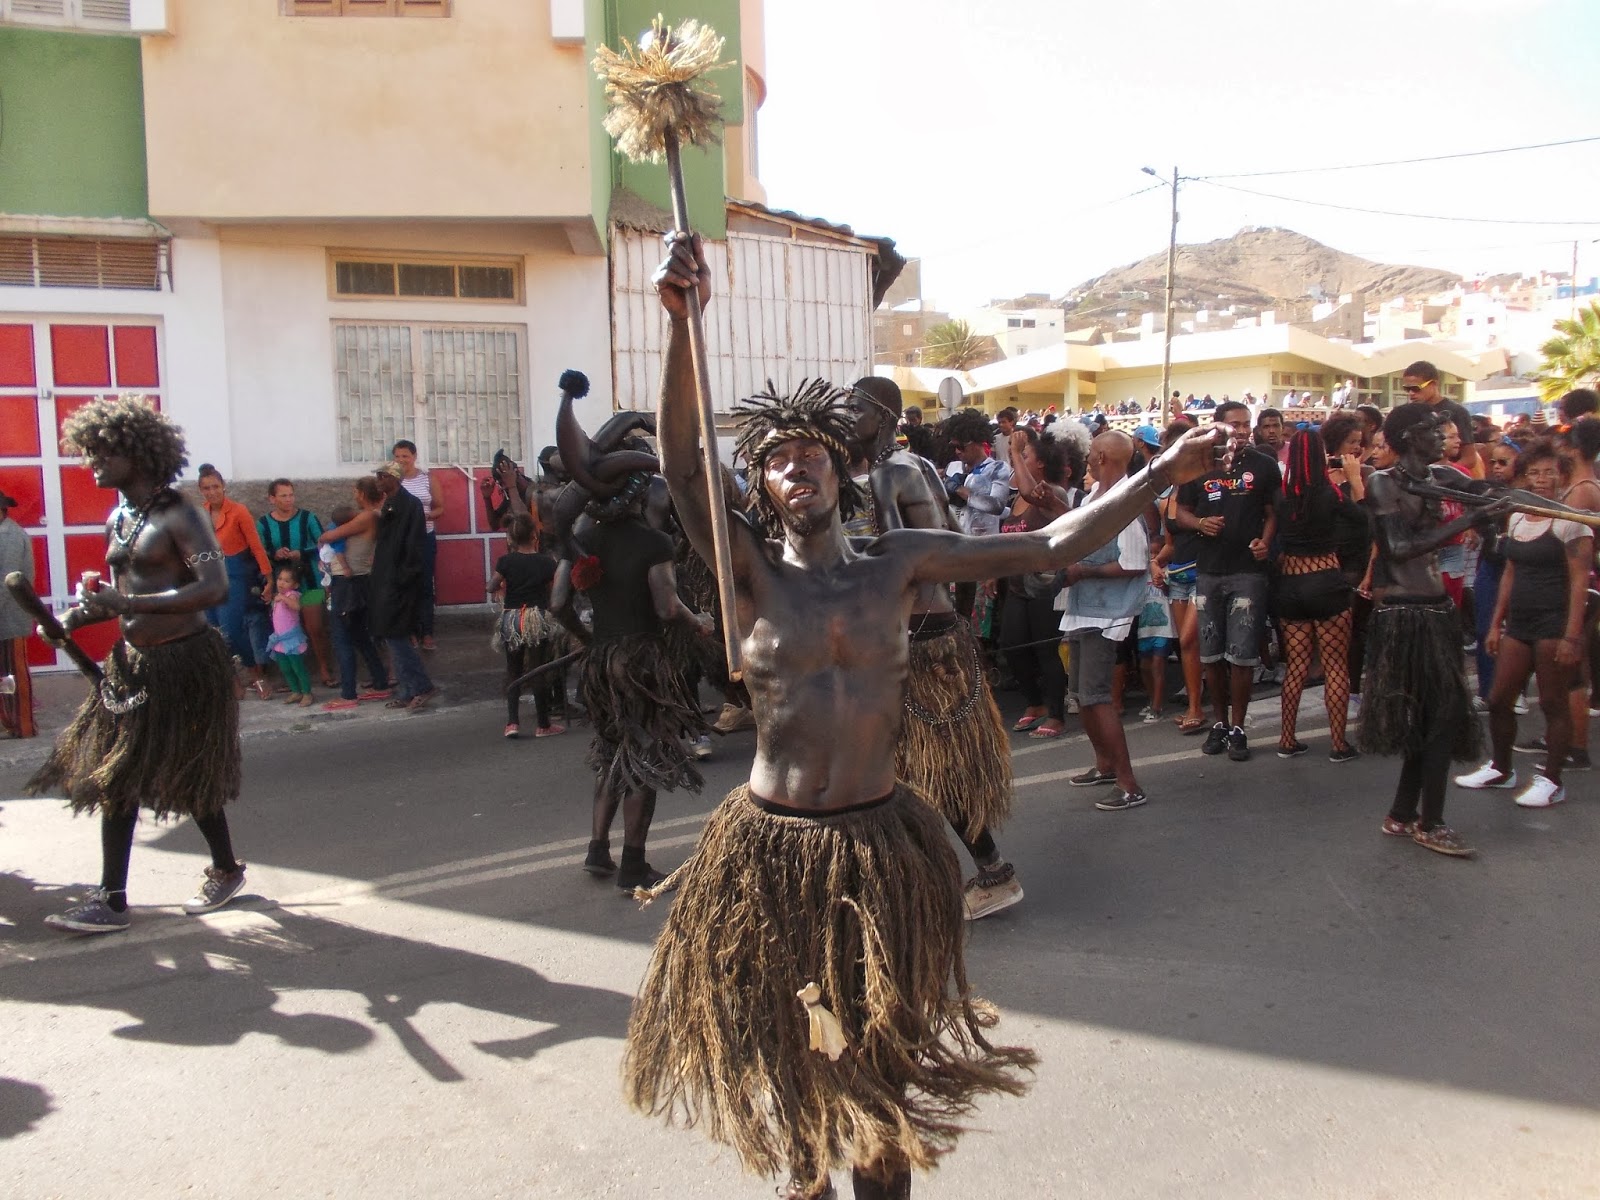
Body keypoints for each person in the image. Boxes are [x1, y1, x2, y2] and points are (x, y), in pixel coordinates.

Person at [627, 232, 1221, 1200]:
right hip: (770, 856)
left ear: (841, 472)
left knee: (878, 1078)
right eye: (776, 461)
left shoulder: (898, 563)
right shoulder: (750, 576)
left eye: (810, 455)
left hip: (877, 851)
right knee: (797, 1066)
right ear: (764, 489)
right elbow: (686, 465)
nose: (794, 471)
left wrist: (1157, 476)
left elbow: (1046, 542)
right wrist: (678, 325)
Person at [28, 397, 246, 933]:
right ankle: (127, 892)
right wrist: (70, 619)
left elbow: (212, 587)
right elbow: (119, 594)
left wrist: (127, 606)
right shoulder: (119, 517)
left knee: (178, 770)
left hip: (185, 663)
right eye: (89, 451)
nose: (91, 461)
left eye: (103, 451)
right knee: (121, 773)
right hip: (132, 663)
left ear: (137, 451)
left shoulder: (181, 513)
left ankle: (143, 891)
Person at [851, 376, 1028, 922]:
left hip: (917, 640)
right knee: (909, 768)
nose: (844, 417)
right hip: (938, 630)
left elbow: (893, 559)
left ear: (880, 414)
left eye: (853, 409)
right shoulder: (919, 467)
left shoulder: (887, 475)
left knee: (934, 770)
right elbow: (957, 542)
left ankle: (992, 872)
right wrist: (965, 618)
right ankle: (922, 874)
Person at [548, 440, 710, 893]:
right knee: (644, 761)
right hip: (641, 663)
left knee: (612, 752)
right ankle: (634, 865)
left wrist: (588, 642)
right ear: (639, 495)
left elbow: (559, 602)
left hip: (601, 663)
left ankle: (597, 850)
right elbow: (665, 608)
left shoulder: (582, 538)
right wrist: (699, 622)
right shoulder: (654, 542)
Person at [1360, 405, 1499, 857]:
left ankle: (1402, 814)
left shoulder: (1439, 476)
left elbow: (1481, 488)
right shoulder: (1383, 482)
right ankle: (1431, 822)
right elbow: (1398, 548)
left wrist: (1511, 497)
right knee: (1438, 719)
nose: (1443, 436)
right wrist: (1468, 520)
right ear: (1407, 436)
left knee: (1432, 719)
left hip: (1437, 610)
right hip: (1406, 617)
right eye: (1433, 430)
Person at [1455, 440, 1592, 809]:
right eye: (1535, 472)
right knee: (1499, 699)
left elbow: (1580, 580)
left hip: (1554, 623)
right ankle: (1502, 769)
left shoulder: (1572, 522)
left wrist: (1572, 635)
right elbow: (1510, 573)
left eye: (1550, 472)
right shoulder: (1517, 517)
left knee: (1552, 703)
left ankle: (1551, 780)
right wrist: (1496, 623)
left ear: (1561, 475)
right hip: (1521, 623)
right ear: (1525, 477)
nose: (1542, 479)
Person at [1175, 400, 1281, 762]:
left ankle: (1238, 727)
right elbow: (1179, 511)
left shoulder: (1264, 466)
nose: (1242, 429)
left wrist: (1265, 542)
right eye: (1234, 423)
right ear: (1217, 426)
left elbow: (1272, 514)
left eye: (1246, 423)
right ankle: (1218, 723)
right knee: (1211, 654)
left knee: (1242, 656)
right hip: (1208, 572)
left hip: (1247, 573)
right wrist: (1199, 524)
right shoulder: (1197, 466)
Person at [1062, 431, 1155, 810]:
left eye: (1090, 453)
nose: (1086, 457)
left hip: (1108, 614)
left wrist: (1082, 570)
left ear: (1102, 457)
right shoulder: (1092, 497)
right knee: (1083, 696)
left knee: (1098, 698)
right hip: (1084, 608)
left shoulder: (1125, 502)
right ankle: (1104, 765)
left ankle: (1129, 783)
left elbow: (1134, 564)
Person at [1272, 430, 1360, 762]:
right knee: (1336, 664)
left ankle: (1286, 739)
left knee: (1296, 665)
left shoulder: (1282, 496)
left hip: (1291, 585)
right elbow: (1362, 521)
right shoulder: (1331, 494)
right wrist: (1356, 482)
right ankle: (1339, 744)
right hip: (1325, 580)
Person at [1000, 423, 1081, 743]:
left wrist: (1015, 451)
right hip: (1017, 585)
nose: (1018, 459)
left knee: (1046, 651)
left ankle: (1056, 713)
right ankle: (1034, 702)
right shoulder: (1016, 498)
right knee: (1012, 646)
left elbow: (1029, 492)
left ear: (1040, 464)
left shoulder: (1049, 492)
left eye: (1026, 456)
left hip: (1045, 585)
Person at [197, 463, 273, 699]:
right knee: (214, 631)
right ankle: (232, 680)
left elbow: (256, 545)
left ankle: (256, 675)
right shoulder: (200, 513)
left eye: (216, 486)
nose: (212, 492)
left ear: (224, 486)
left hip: (235, 574)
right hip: (208, 577)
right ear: (201, 490)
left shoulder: (238, 511)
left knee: (232, 630)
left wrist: (268, 577)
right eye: (207, 488)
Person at [317, 479, 393, 710]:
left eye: (356, 491)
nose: (354, 494)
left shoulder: (368, 516)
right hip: (361, 581)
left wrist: (326, 536)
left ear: (362, 494)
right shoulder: (373, 516)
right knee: (360, 635)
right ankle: (380, 683)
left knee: (341, 637)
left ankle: (348, 694)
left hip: (349, 582)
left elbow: (328, 537)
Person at [489, 512, 564, 739]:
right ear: (535, 535)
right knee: (537, 669)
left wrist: (501, 586)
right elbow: (556, 593)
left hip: (512, 619)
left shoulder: (506, 561)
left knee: (514, 670)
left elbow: (490, 586)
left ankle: (512, 723)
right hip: (536, 619)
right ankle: (543, 725)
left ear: (511, 538)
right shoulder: (546, 562)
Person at [1154, 421, 1208, 734]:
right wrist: (1154, 563)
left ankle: (1199, 707)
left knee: (1189, 638)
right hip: (1177, 575)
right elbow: (1171, 546)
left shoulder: (1205, 484)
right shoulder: (1167, 496)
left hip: (1204, 572)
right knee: (1185, 645)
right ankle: (1195, 706)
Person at [369, 461, 437, 710]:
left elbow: (414, 545)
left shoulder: (411, 504)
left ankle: (421, 686)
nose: (378, 480)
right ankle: (408, 690)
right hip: (387, 578)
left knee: (396, 634)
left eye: (382, 476)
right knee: (391, 635)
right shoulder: (389, 503)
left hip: (400, 582)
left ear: (394, 478)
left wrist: (404, 578)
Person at [258, 479, 334, 688]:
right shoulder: (263, 523)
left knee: (314, 627)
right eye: (283, 495)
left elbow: (323, 542)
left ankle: (324, 668)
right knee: (283, 632)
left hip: (310, 580)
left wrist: (302, 552)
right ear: (272, 499)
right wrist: (275, 554)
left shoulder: (307, 518)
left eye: (291, 494)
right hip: (282, 585)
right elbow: (259, 551)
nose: (289, 499)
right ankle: (291, 677)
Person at [392, 439, 443, 650]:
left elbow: (440, 507)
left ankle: (427, 633)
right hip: (401, 541)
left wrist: (425, 516)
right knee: (405, 585)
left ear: (414, 457)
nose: (402, 460)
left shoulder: (427, 479)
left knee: (424, 585)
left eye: (406, 456)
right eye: (397, 456)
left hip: (424, 538)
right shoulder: (392, 481)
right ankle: (410, 631)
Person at [1401, 360, 1480, 478]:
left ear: (1433, 384)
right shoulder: (1409, 412)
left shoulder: (1456, 412)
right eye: (1407, 389)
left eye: (1416, 388)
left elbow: (1469, 458)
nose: (1411, 393)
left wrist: (1443, 474)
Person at [0, 489, 37, 738]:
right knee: (5, 675)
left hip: (10, 616)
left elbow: (8, 581)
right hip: (5, 616)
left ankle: (22, 725)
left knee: (14, 672)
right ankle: (8, 722)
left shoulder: (10, 536)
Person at [264, 564, 314, 706]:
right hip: (279, 641)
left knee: (298, 667)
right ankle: (295, 691)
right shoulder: (277, 597)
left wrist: (284, 599)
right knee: (285, 668)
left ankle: (307, 693)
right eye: (280, 579)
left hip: (292, 640)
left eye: (287, 581)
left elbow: (297, 606)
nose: (281, 583)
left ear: (295, 585)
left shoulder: (292, 595)